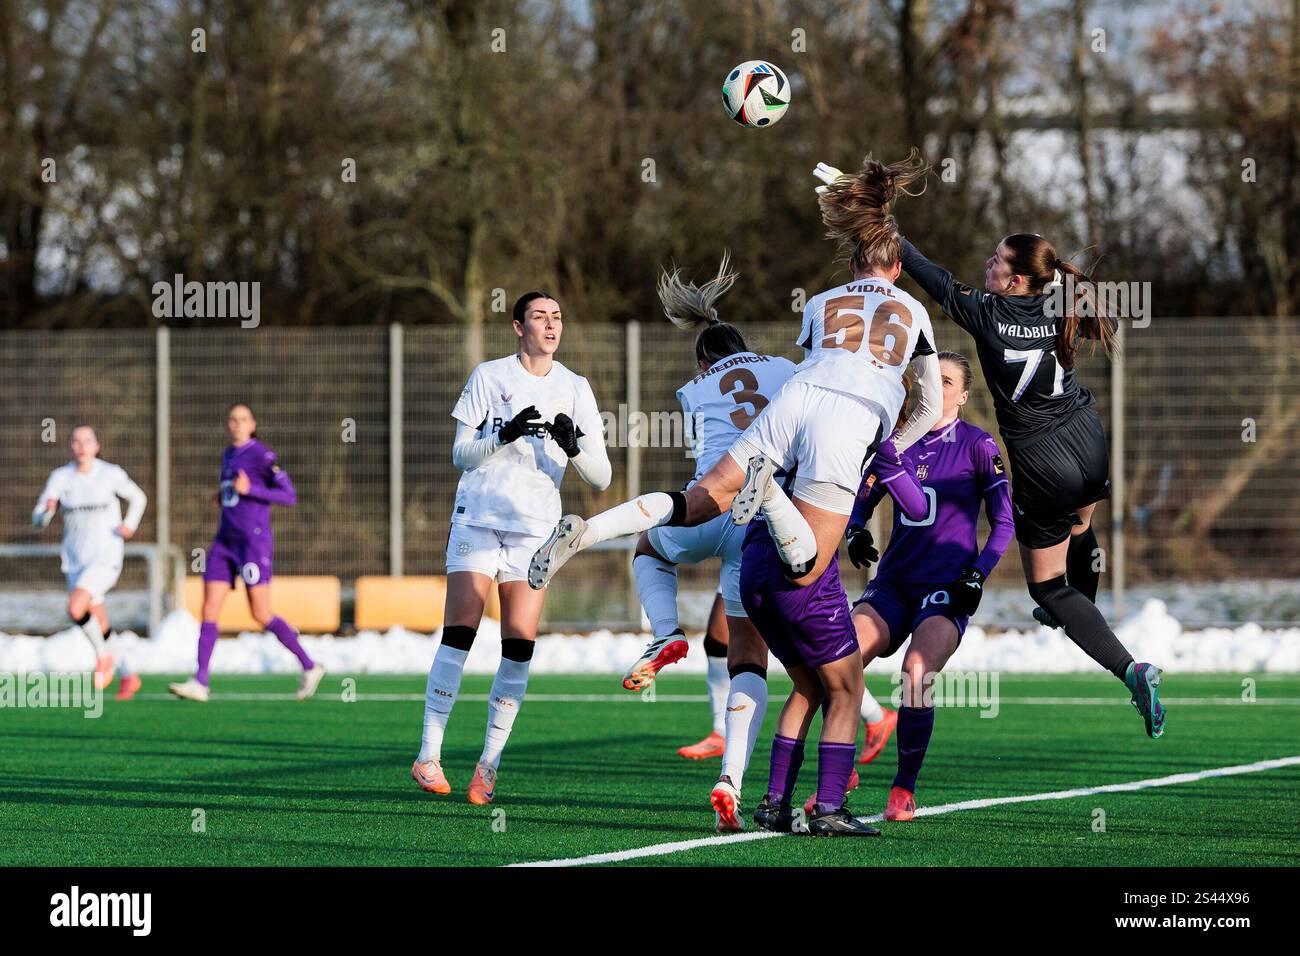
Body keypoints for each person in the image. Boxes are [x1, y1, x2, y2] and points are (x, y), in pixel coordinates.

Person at [809, 155, 1165, 737]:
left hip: (1041, 461)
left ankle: (1131, 668)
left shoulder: (985, 312)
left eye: (997, 261)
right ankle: (1080, 604)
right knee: (1079, 527)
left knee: (1048, 586)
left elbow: (918, 265)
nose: (987, 265)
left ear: (1015, 279)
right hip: (1089, 441)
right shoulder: (1059, 306)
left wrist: (870, 208)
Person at [613, 253, 795, 830]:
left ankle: (665, 635)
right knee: (749, 655)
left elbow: (710, 447)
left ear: (701, 358)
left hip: (710, 505)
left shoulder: (694, 388)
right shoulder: (789, 369)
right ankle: (731, 780)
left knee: (647, 546)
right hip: (769, 518)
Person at [412, 291, 611, 806]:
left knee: (519, 646)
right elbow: (462, 455)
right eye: (540, 317)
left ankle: (488, 765)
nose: (551, 325)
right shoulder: (489, 376)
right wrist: (505, 432)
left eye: (557, 317)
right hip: (478, 519)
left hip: (534, 530)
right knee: (460, 633)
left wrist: (571, 446)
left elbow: (602, 475)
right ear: (518, 327)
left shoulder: (575, 387)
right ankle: (428, 755)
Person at [800, 352, 1014, 822]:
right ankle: (840, 775)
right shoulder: (895, 444)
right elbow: (859, 500)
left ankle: (903, 788)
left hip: (946, 588)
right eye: (929, 381)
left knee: (917, 674)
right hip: (893, 585)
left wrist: (977, 575)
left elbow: (1004, 523)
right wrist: (855, 529)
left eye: (947, 381)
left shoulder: (979, 445)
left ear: (962, 394)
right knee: (837, 659)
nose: (936, 388)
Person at [169, 403, 325, 703]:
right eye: (232, 419)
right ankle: (200, 681)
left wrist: (249, 489)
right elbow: (236, 493)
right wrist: (224, 495)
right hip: (224, 541)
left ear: (252, 424)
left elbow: (288, 496)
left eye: (243, 419)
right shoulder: (228, 454)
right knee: (209, 609)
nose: (237, 424)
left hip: (253, 543)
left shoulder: (262, 455)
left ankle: (310, 665)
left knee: (260, 612)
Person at [33, 425, 147, 701]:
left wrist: (129, 525)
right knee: (100, 623)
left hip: (106, 558)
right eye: (76, 441)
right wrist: (46, 512)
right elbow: (37, 520)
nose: (82, 445)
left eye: (88, 440)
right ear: (70, 446)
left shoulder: (110, 474)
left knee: (75, 607)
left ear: (97, 446)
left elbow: (138, 497)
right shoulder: (60, 478)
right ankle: (129, 675)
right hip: (75, 562)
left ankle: (102, 657)